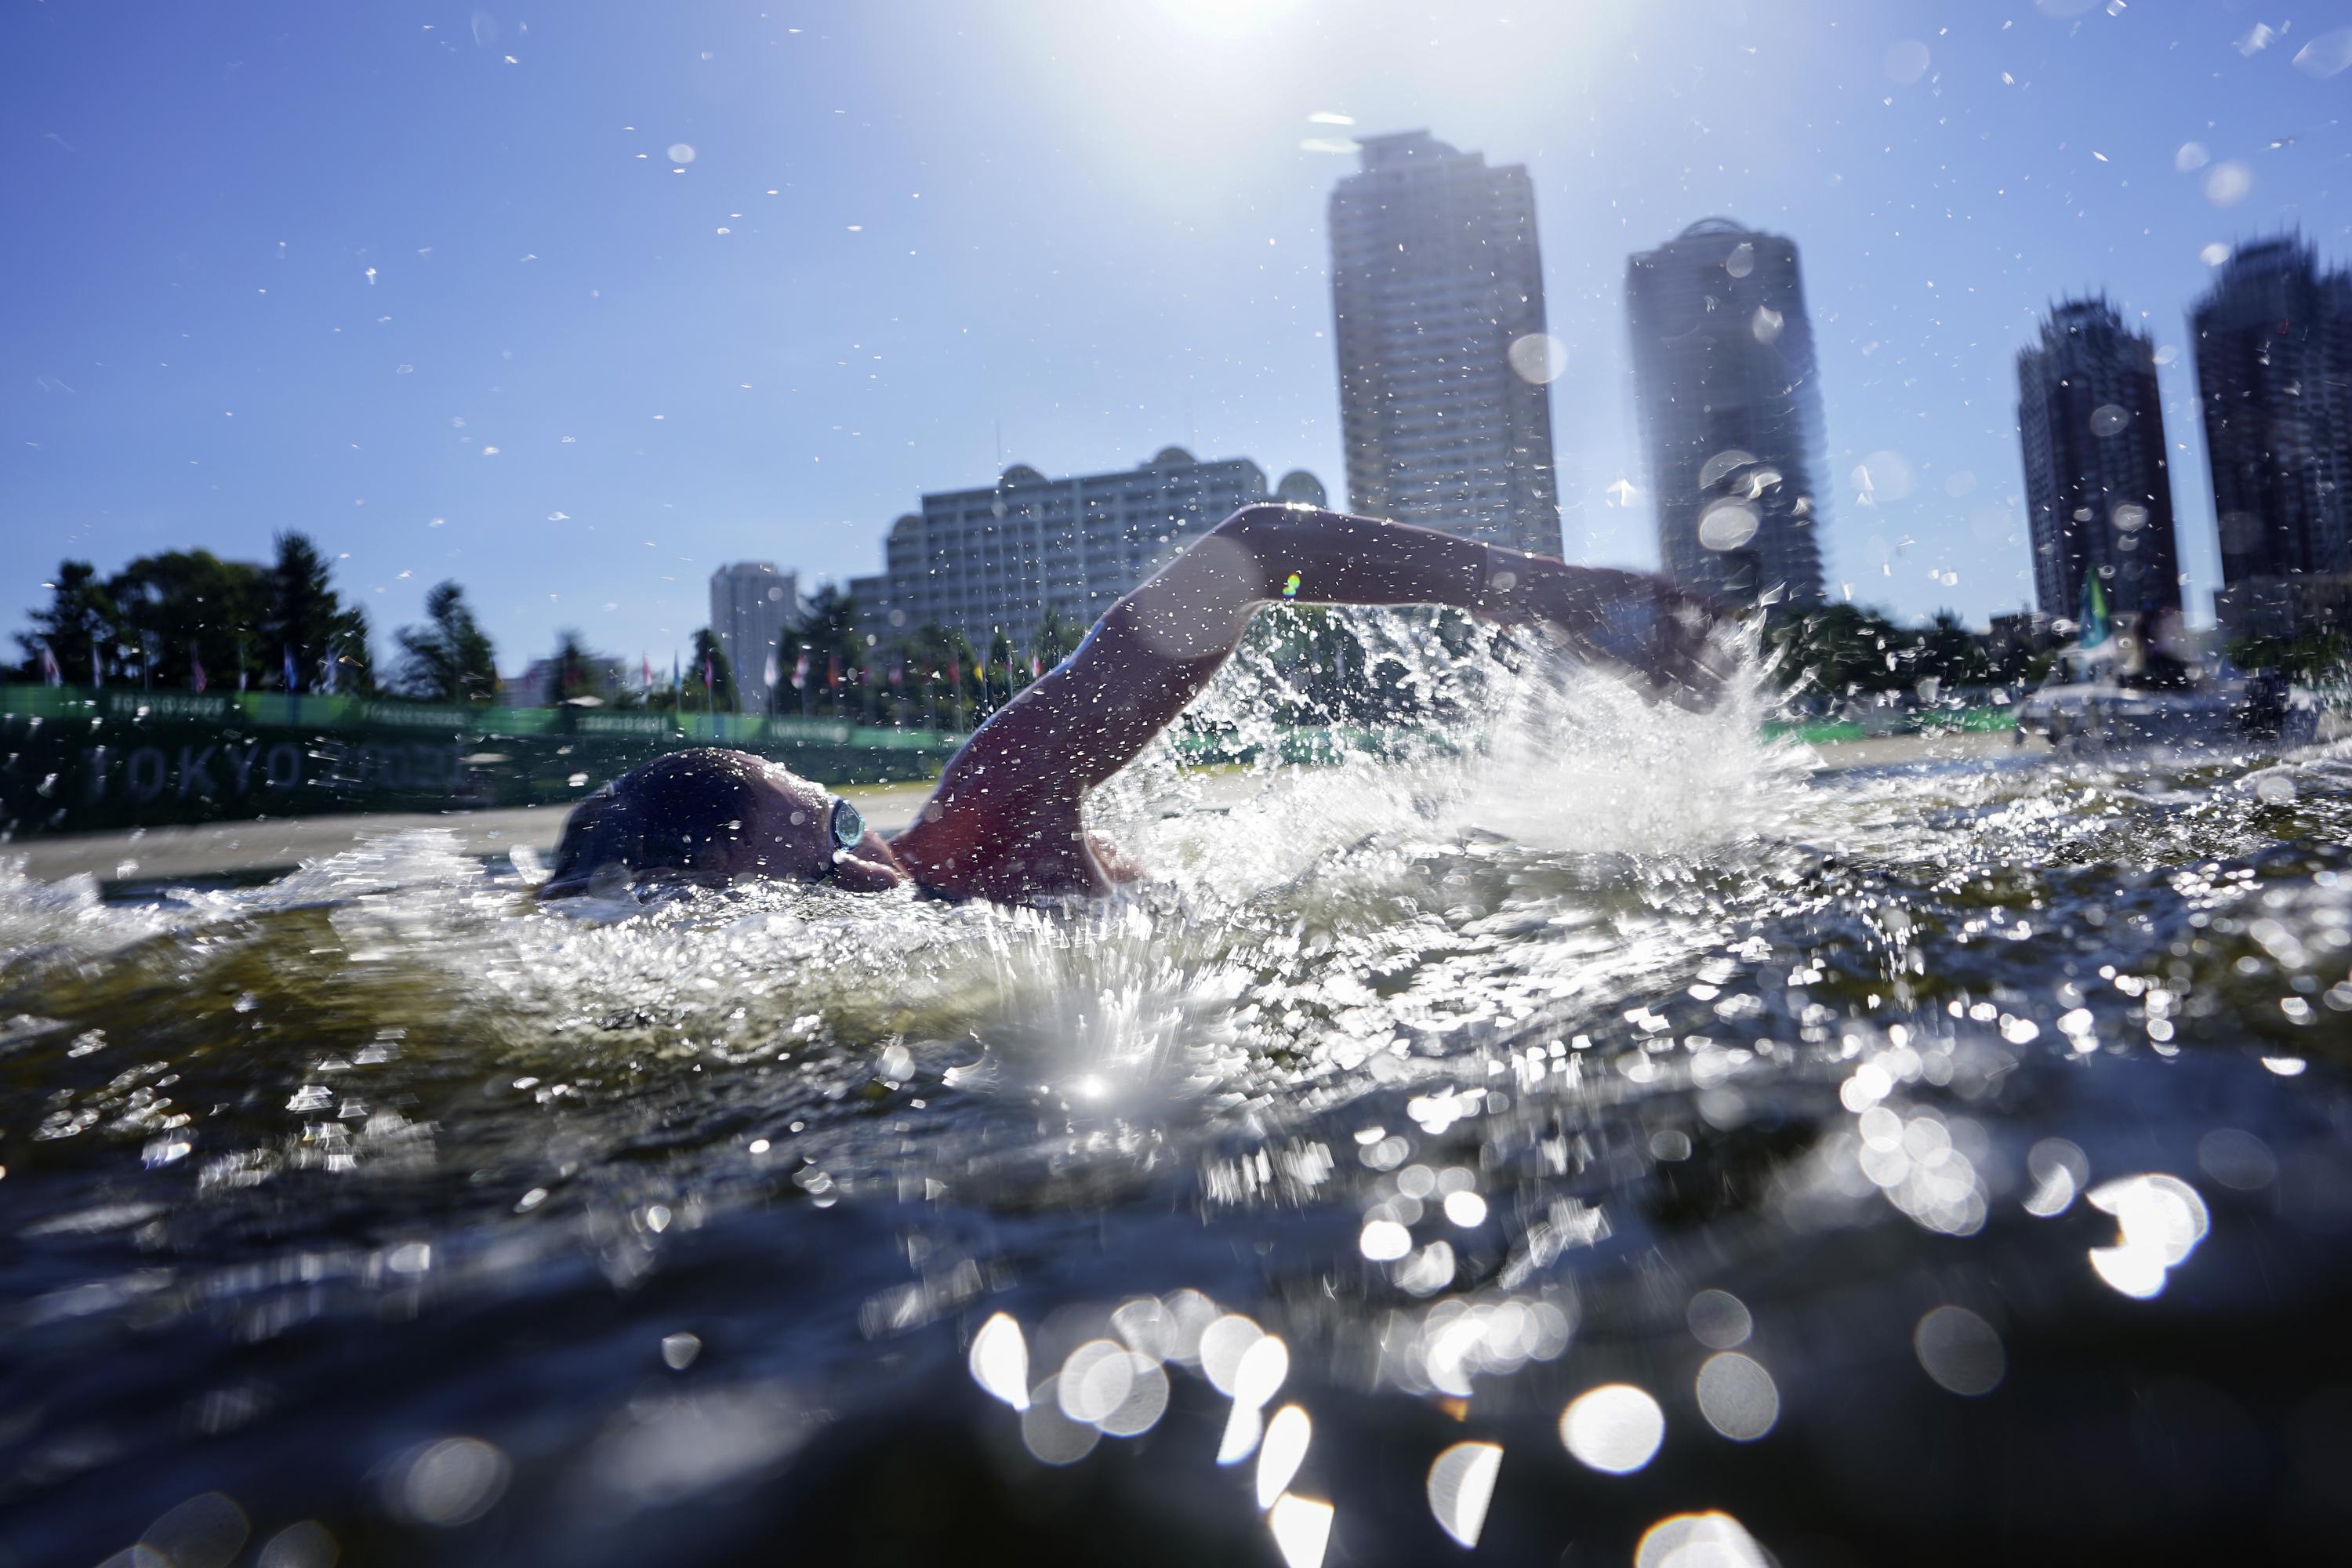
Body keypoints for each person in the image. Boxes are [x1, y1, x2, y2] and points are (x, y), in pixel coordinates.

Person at [539, 504, 1733, 903]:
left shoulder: (989, 816)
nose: (865, 877)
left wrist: (1551, 594)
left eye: (844, 828)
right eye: (812, 885)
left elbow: (1257, 549)